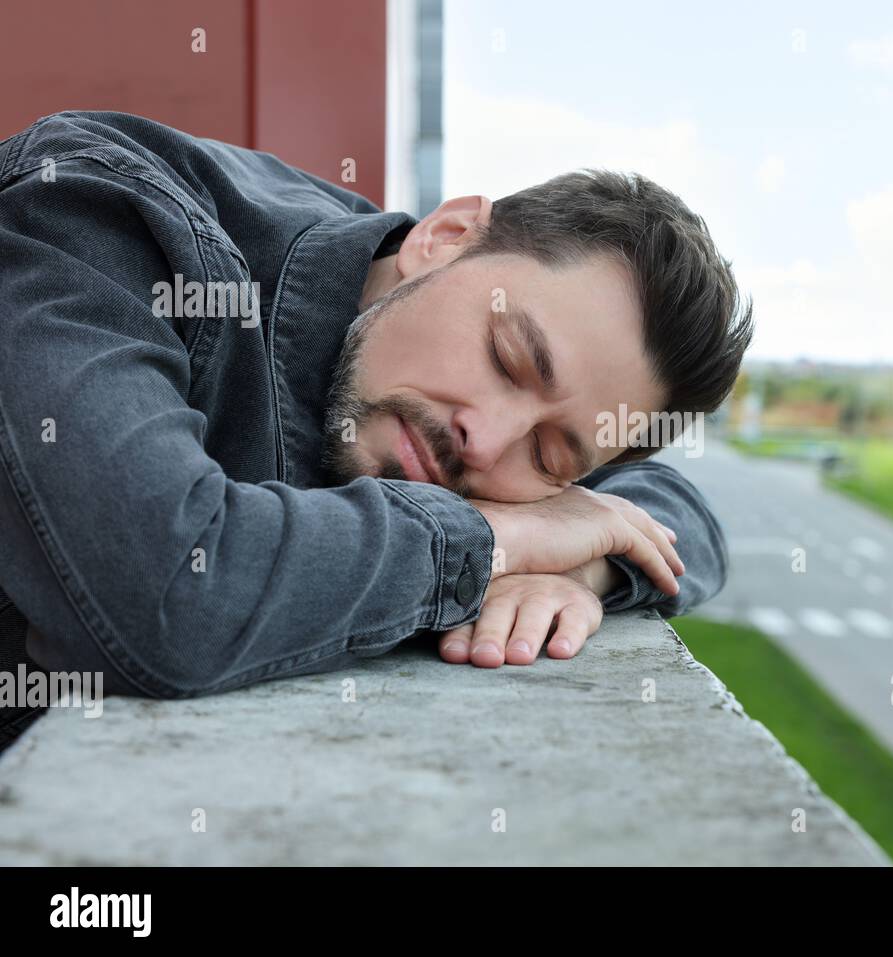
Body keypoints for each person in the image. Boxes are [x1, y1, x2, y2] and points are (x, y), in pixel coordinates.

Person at [0, 111, 753, 746]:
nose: (485, 440)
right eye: (507, 357)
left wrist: (586, 566)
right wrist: (501, 542)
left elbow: (680, 519)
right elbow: (161, 590)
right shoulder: (100, 207)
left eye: (553, 455)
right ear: (447, 235)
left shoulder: (480, 379)